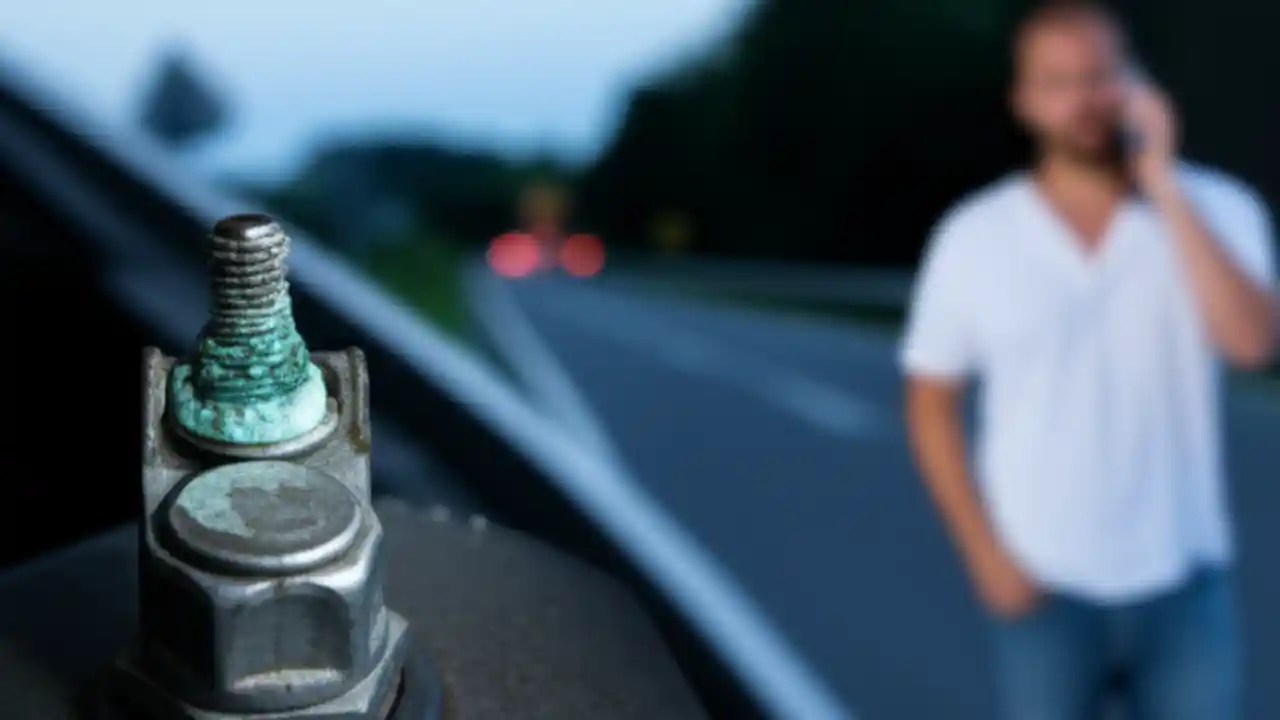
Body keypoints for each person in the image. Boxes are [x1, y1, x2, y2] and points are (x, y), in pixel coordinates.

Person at [901, 2, 1278, 718]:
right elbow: (929, 400)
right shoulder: (976, 236)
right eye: (1058, 80)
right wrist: (984, 554)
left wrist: (1163, 184)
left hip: (1184, 581)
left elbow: (1254, 345)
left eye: (1102, 74)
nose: (1084, 98)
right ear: (1025, 101)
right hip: (1041, 583)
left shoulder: (1219, 208)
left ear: (1136, 82)